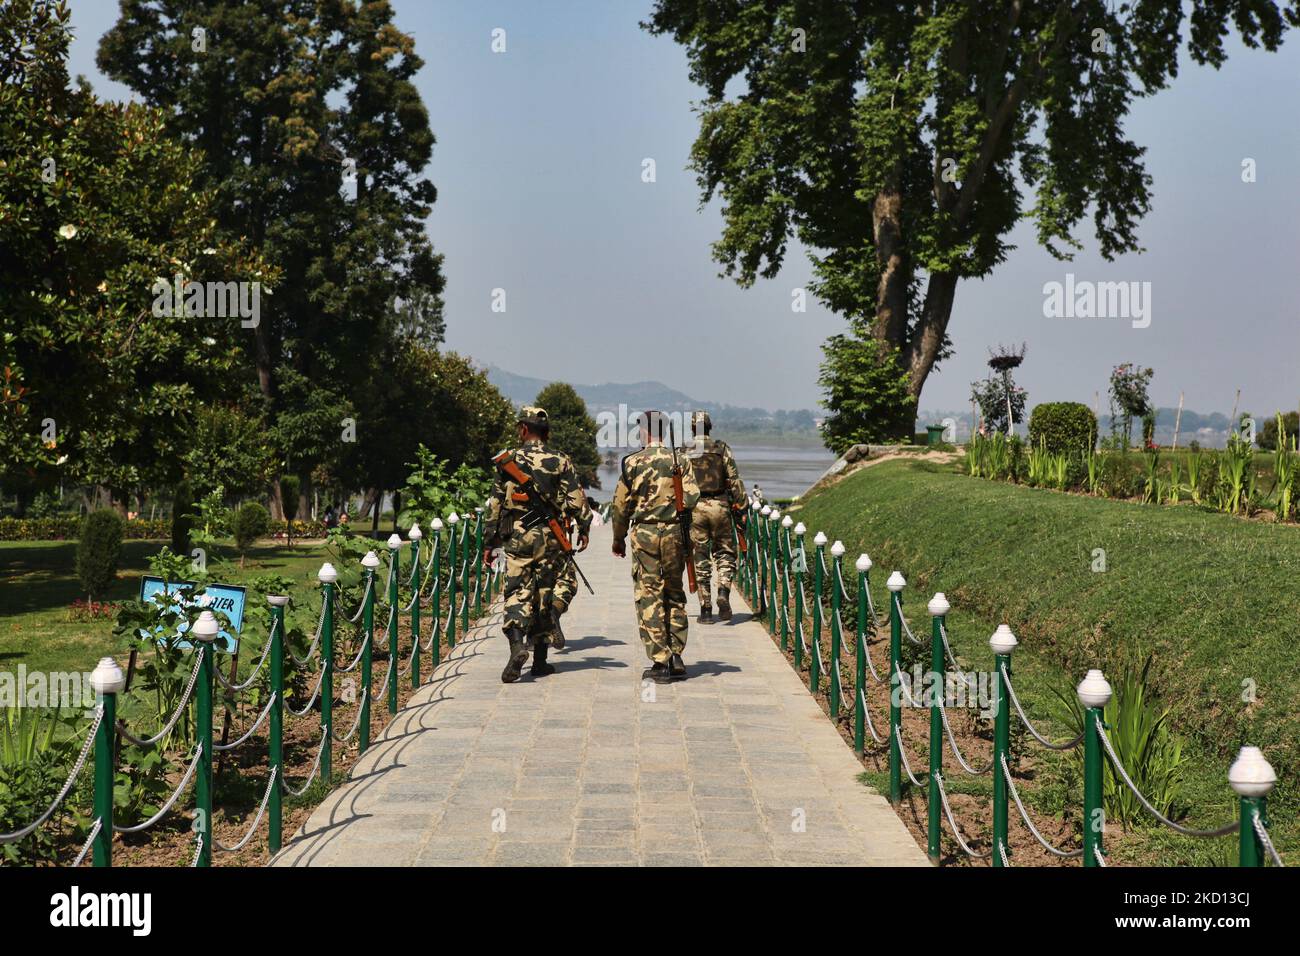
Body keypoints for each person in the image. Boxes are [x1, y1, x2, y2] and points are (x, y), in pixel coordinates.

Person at [484, 405, 591, 682]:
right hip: (550, 535)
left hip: (518, 533)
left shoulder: (510, 460)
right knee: (545, 590)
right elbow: (576, 501)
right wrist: (584, 527)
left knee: (517, 590)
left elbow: (495, 502)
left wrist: (489, 541)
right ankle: (540, 662)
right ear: (546, 432)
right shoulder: (561, 460)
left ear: (523, 429)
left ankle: (518, 646)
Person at [611, 410, 700, 683]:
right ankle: (677, 654)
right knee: (674, 592)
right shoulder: (681, 461)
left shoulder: (632, 462)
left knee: (649, 594)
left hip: (645, 533)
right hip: (675, 532)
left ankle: (660, 661)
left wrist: (618, 537)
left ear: (644, 430)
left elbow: (620, 506)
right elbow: (693, 497)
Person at [684, 411, 747, 623]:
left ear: (693, 429)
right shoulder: (721, 449)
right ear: (710, 427)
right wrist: (742, 507)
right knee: (726, 553)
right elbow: (735, 480)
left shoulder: (684, 451)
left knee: (700, 556)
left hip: (695, 508)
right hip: (720, 505)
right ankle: (723, 590)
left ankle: (705, 609)